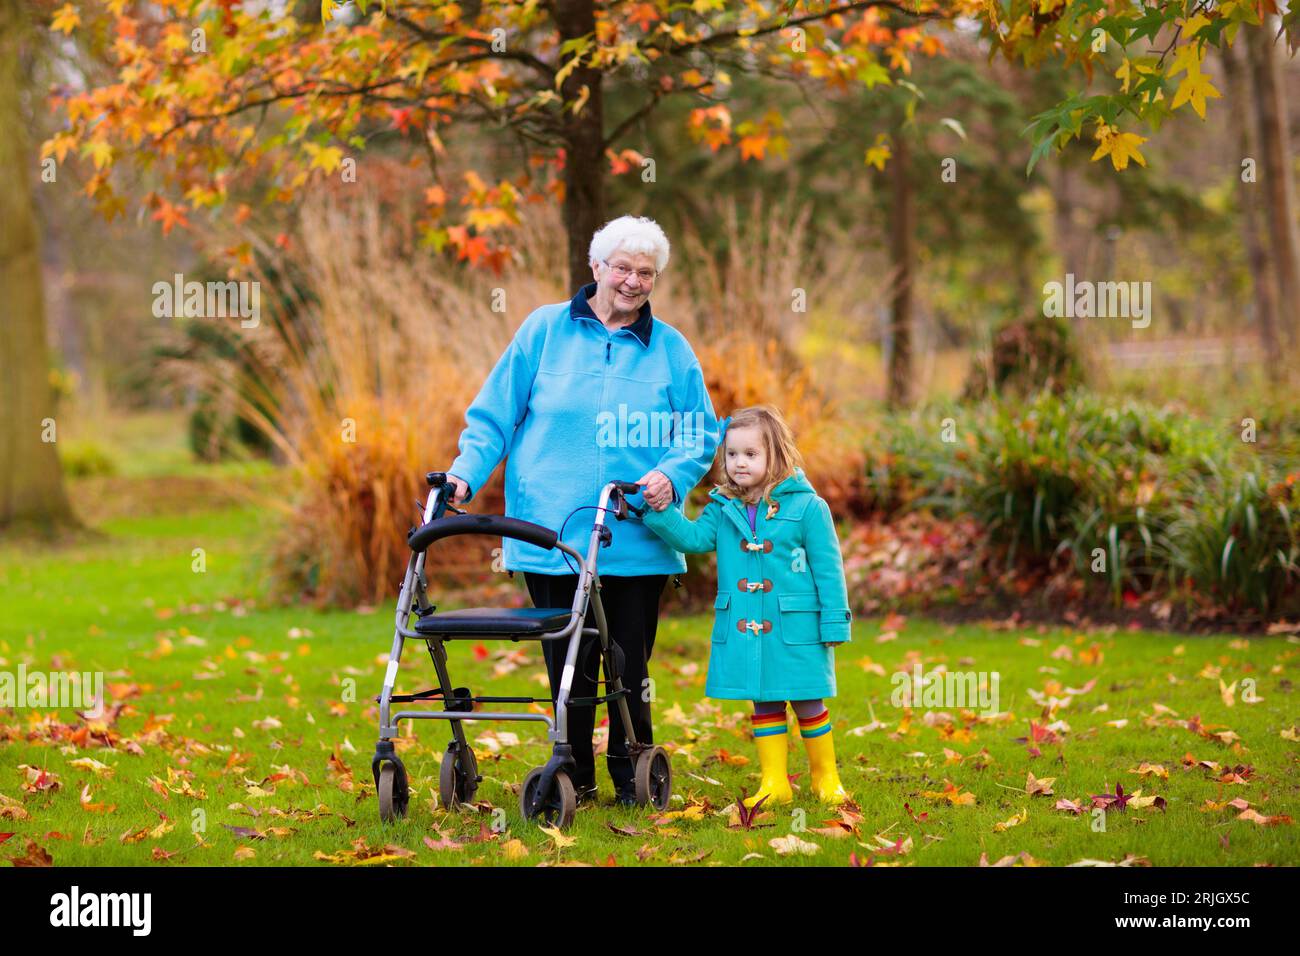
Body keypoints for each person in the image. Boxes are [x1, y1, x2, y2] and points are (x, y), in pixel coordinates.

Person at [441, 215, 720, 806]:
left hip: (635, 535)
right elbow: (495, 416)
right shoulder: (543, 331)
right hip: (549, 533)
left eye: (646, 273)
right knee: (567, 659)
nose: (633, 282)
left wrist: (672, 475)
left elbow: (699, 432)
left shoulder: (671, 349)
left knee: (628, 660)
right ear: (595, 267)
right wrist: (465, 473)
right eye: (622, 268)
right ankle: (574, 772)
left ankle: (634, 768)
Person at [640, 404, 854, 806]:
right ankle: (775, 783)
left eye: (751, 454)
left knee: (808, 698)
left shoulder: (809, 508)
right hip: (747, 623)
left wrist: (835, 624)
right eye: (732, 454)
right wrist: (660, 512)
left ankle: (827, 778)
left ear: (777, 455)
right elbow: (692, 539)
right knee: (764, 698)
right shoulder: (723, 508)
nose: (739, 463)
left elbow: (829, 570)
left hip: (797, 627)